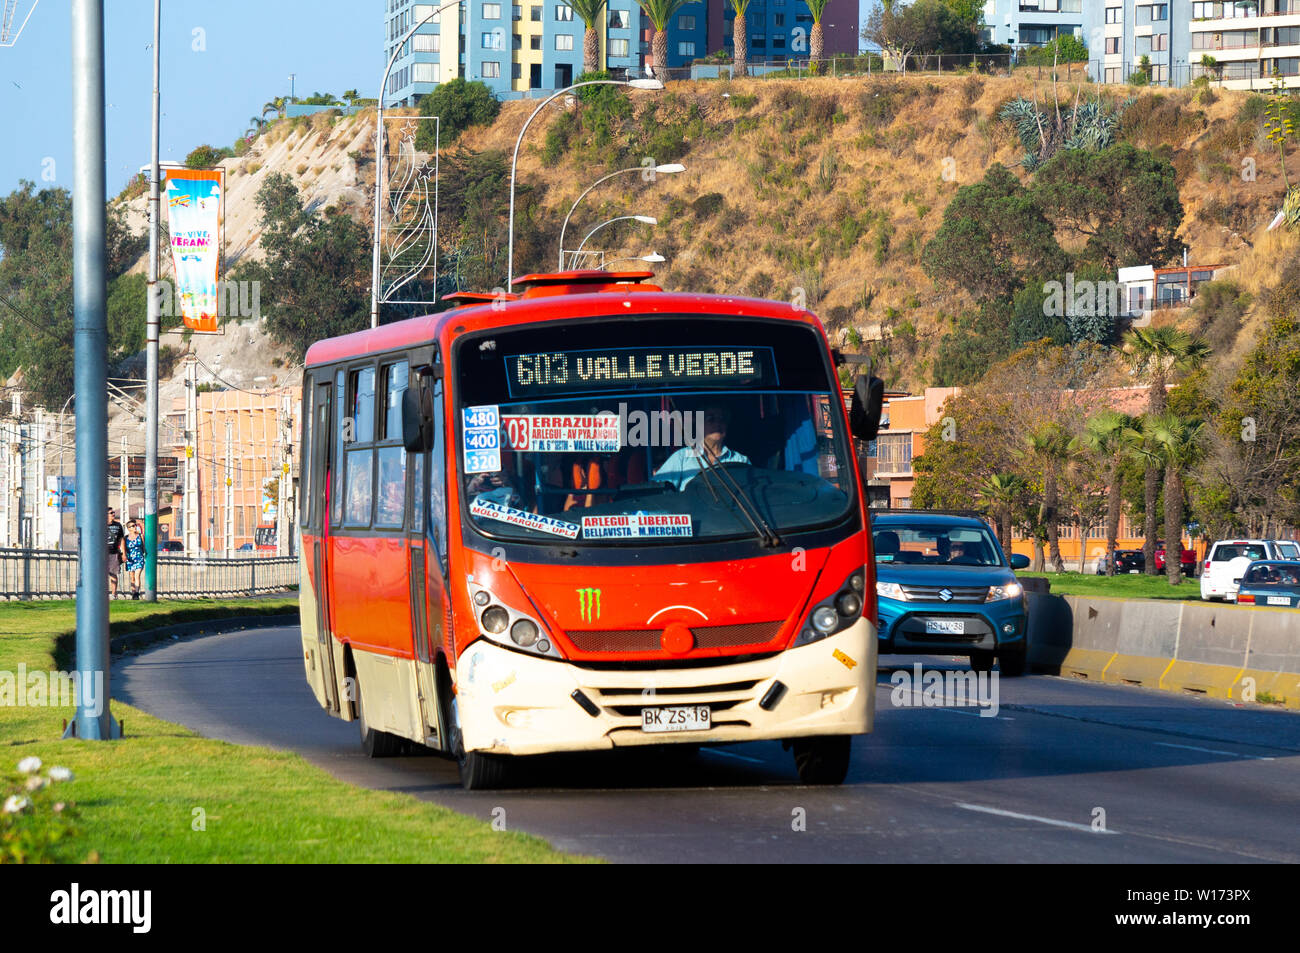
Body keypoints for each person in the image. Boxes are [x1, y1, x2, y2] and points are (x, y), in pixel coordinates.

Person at [653, 404, 750, 491]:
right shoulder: (682, 457)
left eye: (722, 419)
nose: (717, 423)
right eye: (711, 419)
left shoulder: (741, 460)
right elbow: (657, 492)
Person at [124, 520, 146, 599]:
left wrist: (144, 555)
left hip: (139, 558)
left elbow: (143, 547)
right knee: (132, 577)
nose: (135, 527)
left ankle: (137, 593)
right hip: (130, 559)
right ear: (128, 528)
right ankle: (133, 594)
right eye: (132, 526)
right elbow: (124, 549)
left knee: (137, 575)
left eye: (135, 525)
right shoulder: (126, 538)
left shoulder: (140, 536)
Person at [106, 508, 125, 597]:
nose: (113, 514)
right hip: (102, 553)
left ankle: (113, 594)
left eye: (114, 512)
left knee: (114, 574)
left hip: (114, 553)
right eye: (111, 513)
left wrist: (124, 553)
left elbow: (121, 539)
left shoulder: (118, 525)